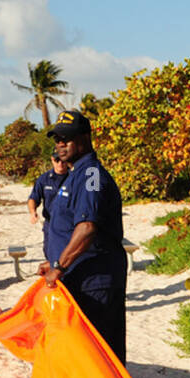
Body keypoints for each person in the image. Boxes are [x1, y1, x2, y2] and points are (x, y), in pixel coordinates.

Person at [39, 109, 127, 363]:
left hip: (95, 279)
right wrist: (54, 259)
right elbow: (67, 225)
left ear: (85, 138)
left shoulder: (91, 175)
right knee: (80, 351)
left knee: (100, 353)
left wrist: (60, 264)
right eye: (57, 139)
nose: (60, 144)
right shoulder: (75, 173)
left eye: (67, 138)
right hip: (77, 275)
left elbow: (87, 227)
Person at [27, 151, 70, 257]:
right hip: (50, 224)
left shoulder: (74, 177)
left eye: (62, 160)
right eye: (57, 160)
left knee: (68, 255)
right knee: (49, 253)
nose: (60, 163)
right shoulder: (44, 179)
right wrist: (33, 212)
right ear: (52, 160)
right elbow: (33, 198)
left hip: (69, 224)